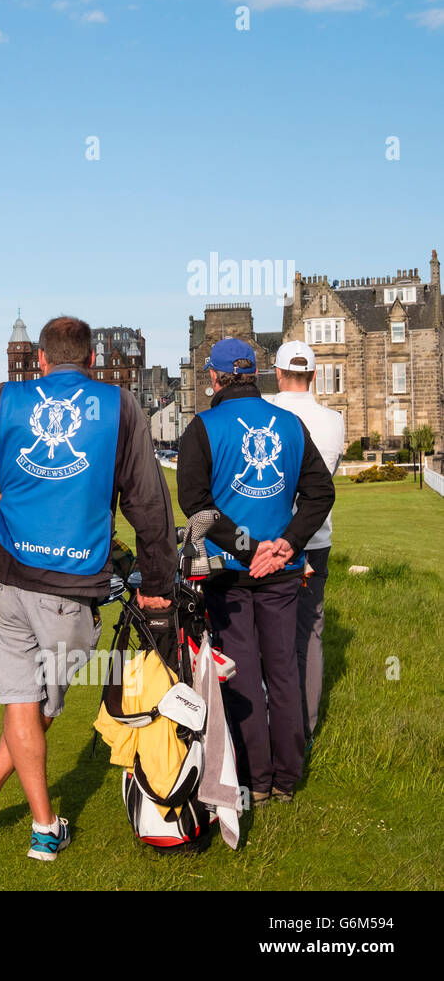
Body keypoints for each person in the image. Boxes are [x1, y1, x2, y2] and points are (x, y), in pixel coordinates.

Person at [0, 316, 178, 861]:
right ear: (91, 360)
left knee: (21, 702)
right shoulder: (120, 406)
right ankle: (41, 828)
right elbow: (147, 502)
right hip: (70, 588)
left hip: (4, 581)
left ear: (40, 359)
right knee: (40, 706)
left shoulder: (2, 400)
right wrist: (158, 581)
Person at [177, 338, 334, 805]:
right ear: (255, 374)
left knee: (242, 674)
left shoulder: (201, 427)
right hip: (283, 571)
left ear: (214, 377)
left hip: (229, 571)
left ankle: (256, 783)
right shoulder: (290, 423)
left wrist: (250, 549)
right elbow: (319, 494)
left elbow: (195, 507)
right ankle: (288, 779)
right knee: (284, 670)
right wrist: (284, 545)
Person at [265, 340, 344, 748]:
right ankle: (304, 731)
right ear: (314, 375)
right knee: (309, 634)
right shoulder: (334, 420)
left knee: (267, 634)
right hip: (316, 539)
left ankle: (270, 729)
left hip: (269, 542)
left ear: (277, 373)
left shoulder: (267, 414)